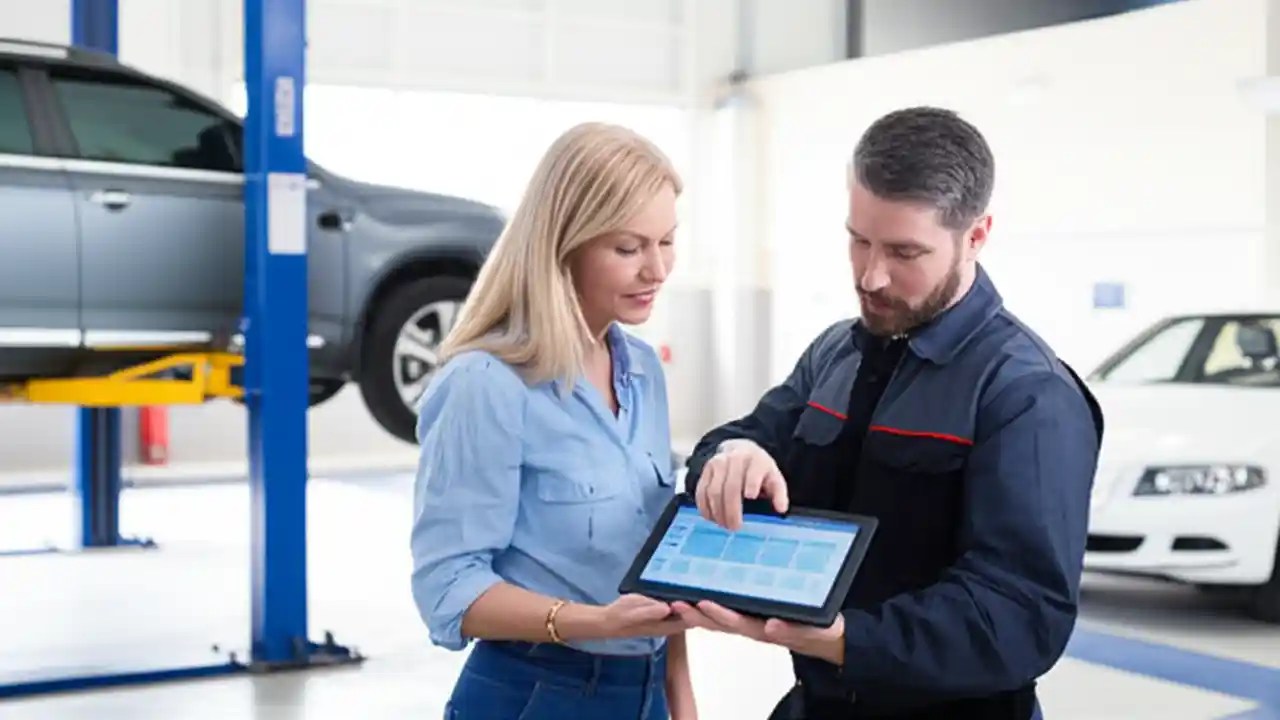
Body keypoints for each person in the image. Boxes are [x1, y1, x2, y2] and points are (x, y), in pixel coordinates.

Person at [671, 106, 1104, 719]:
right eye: (858, 240)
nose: (871, 275)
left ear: (975, 235)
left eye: (904, 252)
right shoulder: (836, 352)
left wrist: (847, 640)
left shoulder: (1026, 394)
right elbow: (744, 437)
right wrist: (731, 455)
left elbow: (1020, 614)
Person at [409, 122, 696, 720]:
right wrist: (596, 623)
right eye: (628, 248)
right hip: (539, 693)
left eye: (666, 241)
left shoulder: (641, 369)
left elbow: (652, 565)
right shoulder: (485, 383)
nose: (657, 270)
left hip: (644, 694)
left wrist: (680, 700)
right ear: (565, 244)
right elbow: (447, 588)